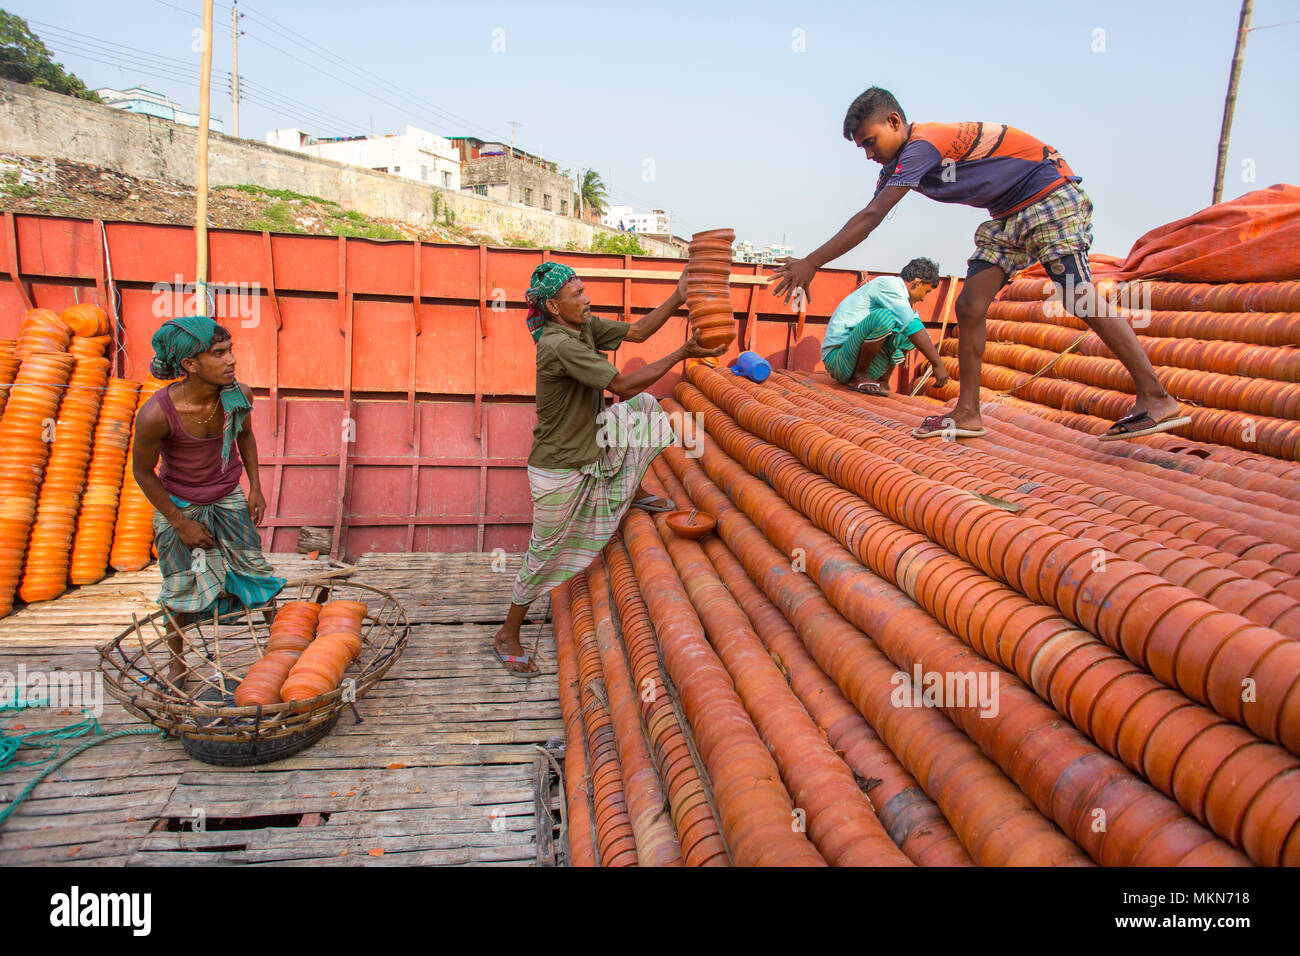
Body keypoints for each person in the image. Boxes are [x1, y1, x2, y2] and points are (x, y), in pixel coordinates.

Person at [773, 86, 1187, 441]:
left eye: (868, 141)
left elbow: (871, 219)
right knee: (970, 305)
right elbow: (866, 214)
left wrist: (812, 262)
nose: (867, 154)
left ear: (895, 121)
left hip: (1047, 195)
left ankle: (1156, 396)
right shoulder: (899, 164)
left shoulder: (922, 144)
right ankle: (968, 412)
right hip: (1006, 215)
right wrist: (814, 259)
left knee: (1078, 297)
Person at [492, 262, 726, 675]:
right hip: (559, 467)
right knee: (543, 553)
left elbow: (636, 333)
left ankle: (633, 493)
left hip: (591, 439)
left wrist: (680, 294)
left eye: (584, 291)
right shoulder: (559, 344)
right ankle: (507, 633)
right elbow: (621, 386)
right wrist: (683, 354)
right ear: (553, 306)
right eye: (578, 294)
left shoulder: (579, 326)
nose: (586, 299)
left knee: (647, 411)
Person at [132, 317, 284, 683]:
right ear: (190, 365)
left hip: (227, 493)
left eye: (229, 350)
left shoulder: (238, 395)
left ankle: (283, 646)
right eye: (219, 354)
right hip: (180, 502)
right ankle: (178, 665)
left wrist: (256, 487)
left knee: (255, 568)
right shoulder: (157, 414)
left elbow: (244, 436)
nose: (231, 360)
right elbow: (142, 472)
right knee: (181, 583)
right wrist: (179, 522)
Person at [821, 256, 950, 395]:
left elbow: (915, 329)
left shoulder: (900, 301)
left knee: (914, 334)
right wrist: (937, 364)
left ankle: (883, 380)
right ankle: (860, 376)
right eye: (927, 291)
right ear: (918, 282)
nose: (924, 298)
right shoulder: (888, 284)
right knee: (886, 319)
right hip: (839, 360)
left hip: (861, 362)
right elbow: (912, 325)